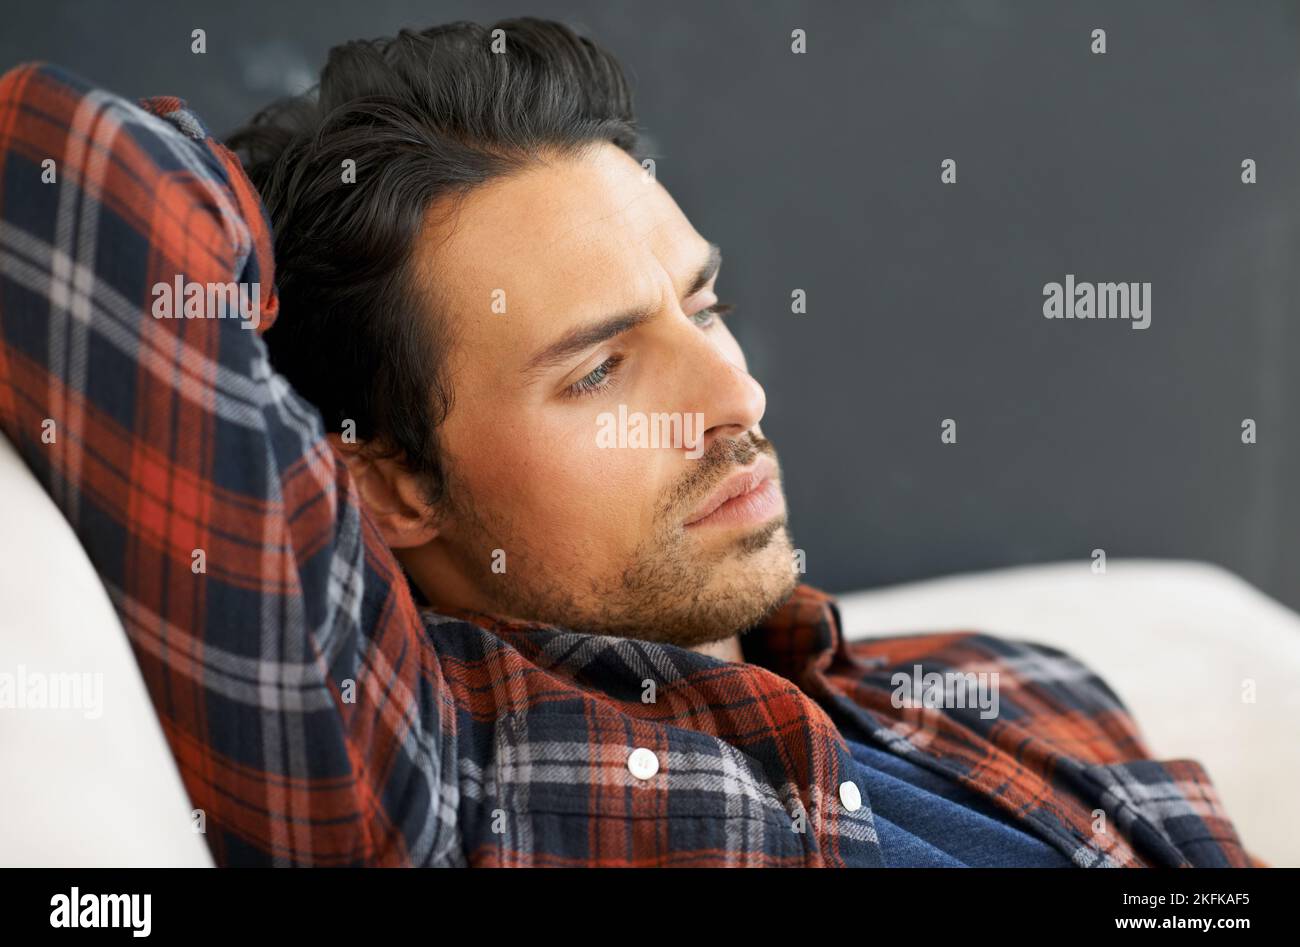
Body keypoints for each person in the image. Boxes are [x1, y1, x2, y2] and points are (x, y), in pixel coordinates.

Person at [0, 18, 1259, 866]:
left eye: (702, 305)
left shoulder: (1013, 683)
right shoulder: (430, 775)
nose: (734, 393)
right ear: (385, 481)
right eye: (598, 367)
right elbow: (74, 184)